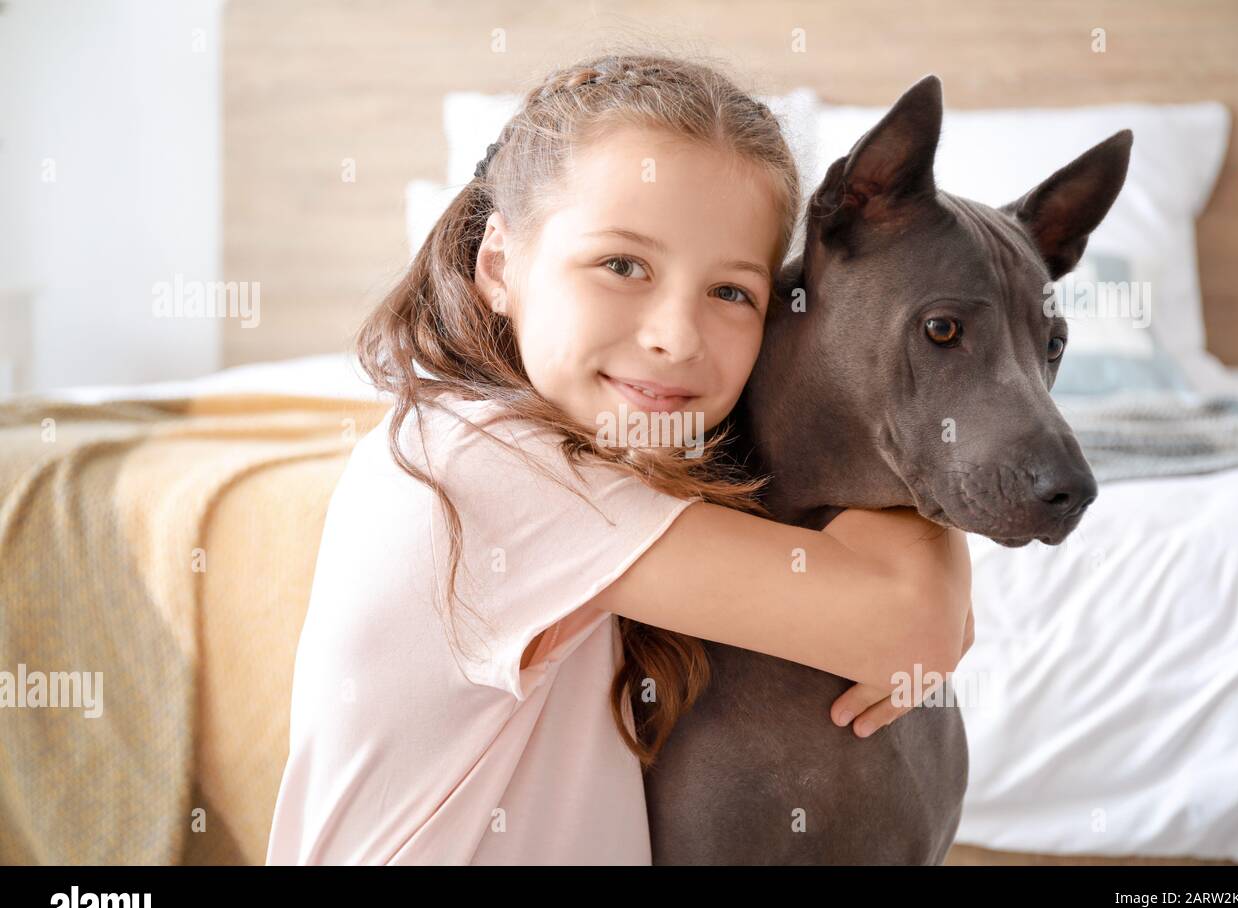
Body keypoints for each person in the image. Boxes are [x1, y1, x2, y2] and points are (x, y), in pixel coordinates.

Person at [264, 50, 973, 866]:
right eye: (622, 266)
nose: (675, 336)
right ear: (498, 264)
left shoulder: (586, 465)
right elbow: (911, 622)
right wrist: (935, 479)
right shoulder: (484, 464)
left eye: (731, 292)